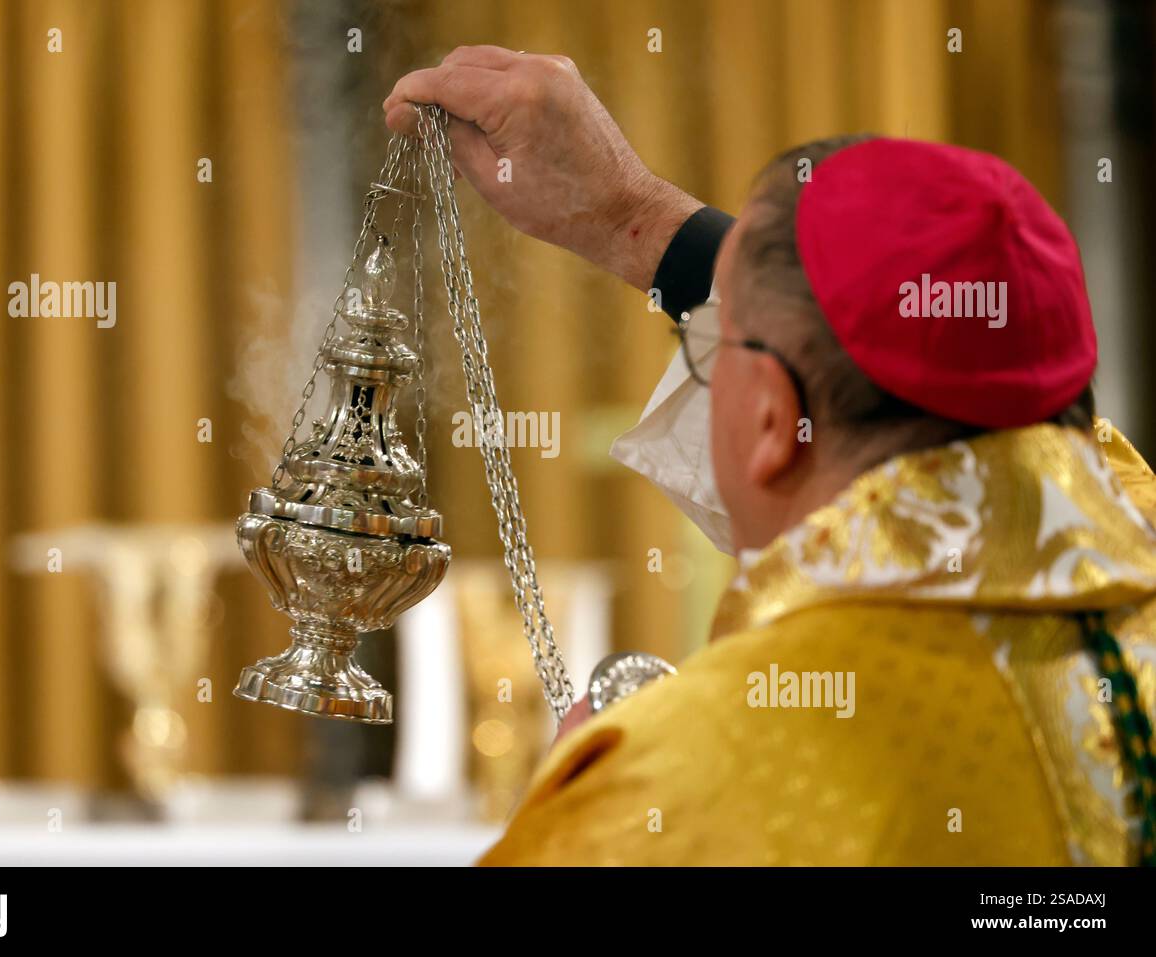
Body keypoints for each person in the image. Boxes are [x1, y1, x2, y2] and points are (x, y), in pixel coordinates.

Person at [385, 47, 1156, 865]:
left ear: (769, 420)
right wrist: (628, 216)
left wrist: (582, 802)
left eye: (712, 353)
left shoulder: (672, 797)